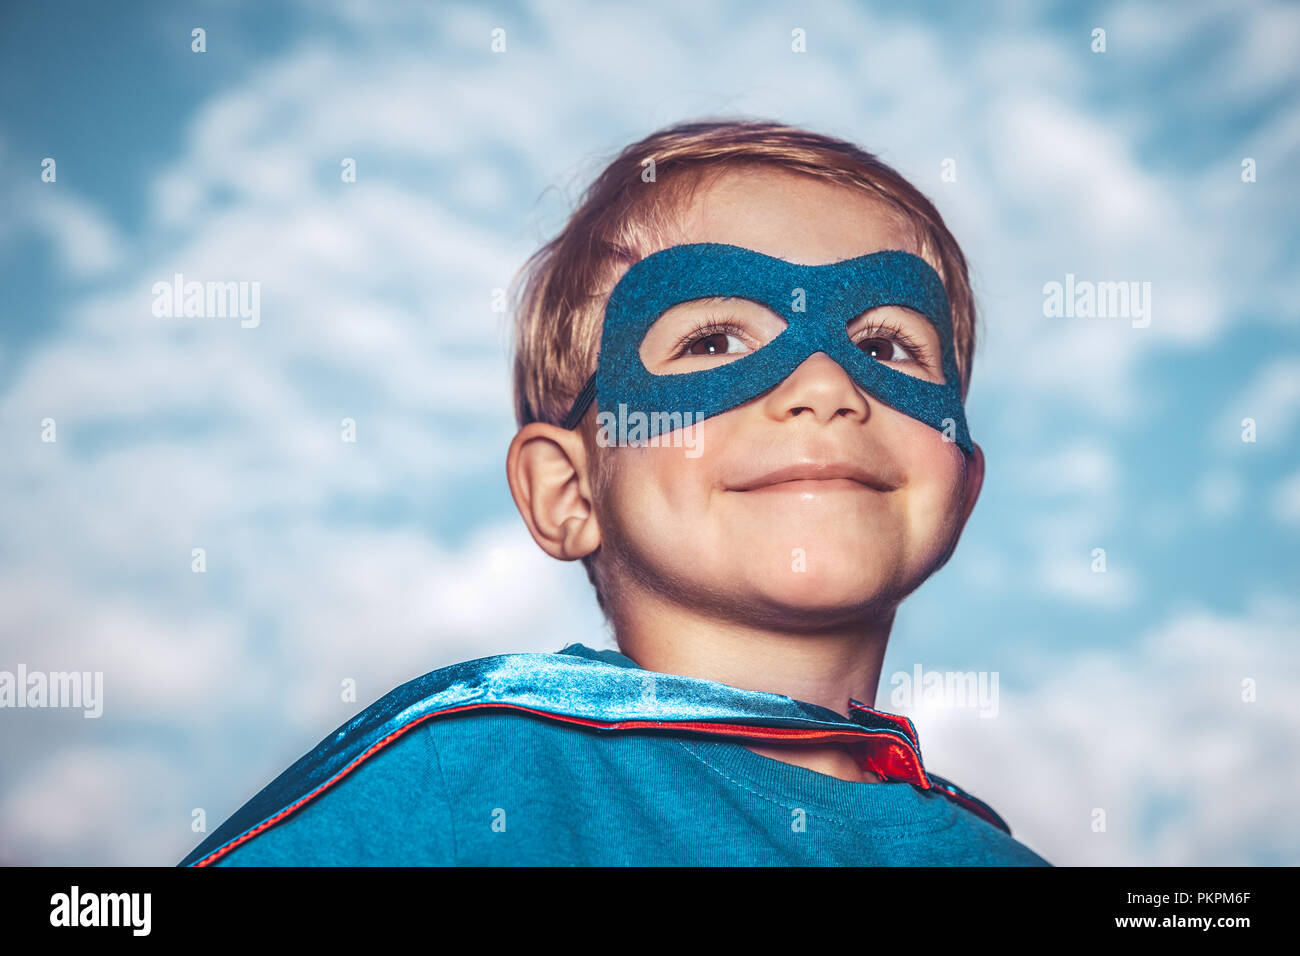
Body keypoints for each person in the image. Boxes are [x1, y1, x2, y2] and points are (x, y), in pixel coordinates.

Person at [179, 119, 1050, 867]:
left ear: (962, 482)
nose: (825, 386)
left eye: (890, 346)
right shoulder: (467, 776)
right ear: (569, 490)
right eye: (712, 340)